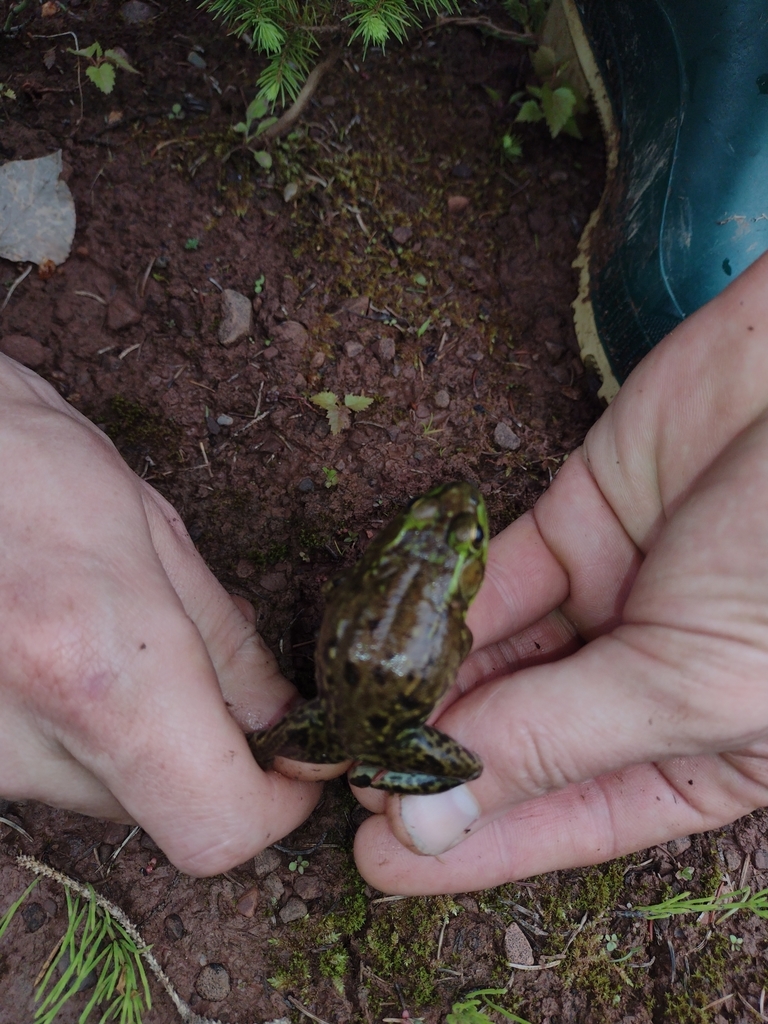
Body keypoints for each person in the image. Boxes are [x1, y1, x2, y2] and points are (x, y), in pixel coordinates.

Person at [3, 0, 768, 891]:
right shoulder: (445, 589)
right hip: (367, 692)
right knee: (437, 752)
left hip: (363, 693)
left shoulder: (426, 578)